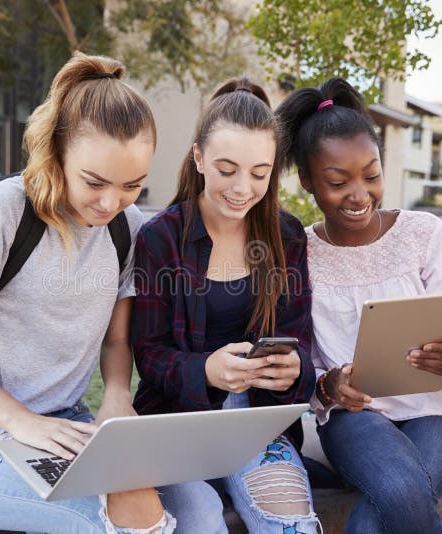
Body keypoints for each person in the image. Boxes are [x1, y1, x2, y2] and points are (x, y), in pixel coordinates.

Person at [0, 52, 225, 533]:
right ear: (58, 151)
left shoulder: (126, 227)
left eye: (132, 185)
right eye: (94, 182)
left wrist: (116, 397)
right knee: (120, 510)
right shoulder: (3, 211)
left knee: (201, 510)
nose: (110, 202)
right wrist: (21, 421)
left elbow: (117, 340)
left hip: (68, 423)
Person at [276, 78, 442, 534]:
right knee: (400, 488)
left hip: (433, 410)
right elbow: (303, 365)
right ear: (307, 181)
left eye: (372, 176)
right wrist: (328, 386)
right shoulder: (297, 252)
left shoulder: (424, 234)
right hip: (354, 416)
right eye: (337, 181)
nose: (359, 194)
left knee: (378, 515)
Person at [131, 78, 319, 533]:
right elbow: (149, 355)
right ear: (198, 158)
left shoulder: (287, 236)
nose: (242, 188)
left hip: (258, 424)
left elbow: (300, 345)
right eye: (226, 169)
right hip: (176, 422)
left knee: (291, 525)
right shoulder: (160, 238)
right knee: (201, 523)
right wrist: (206, 371)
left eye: (259, 173)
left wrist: (294, 370)